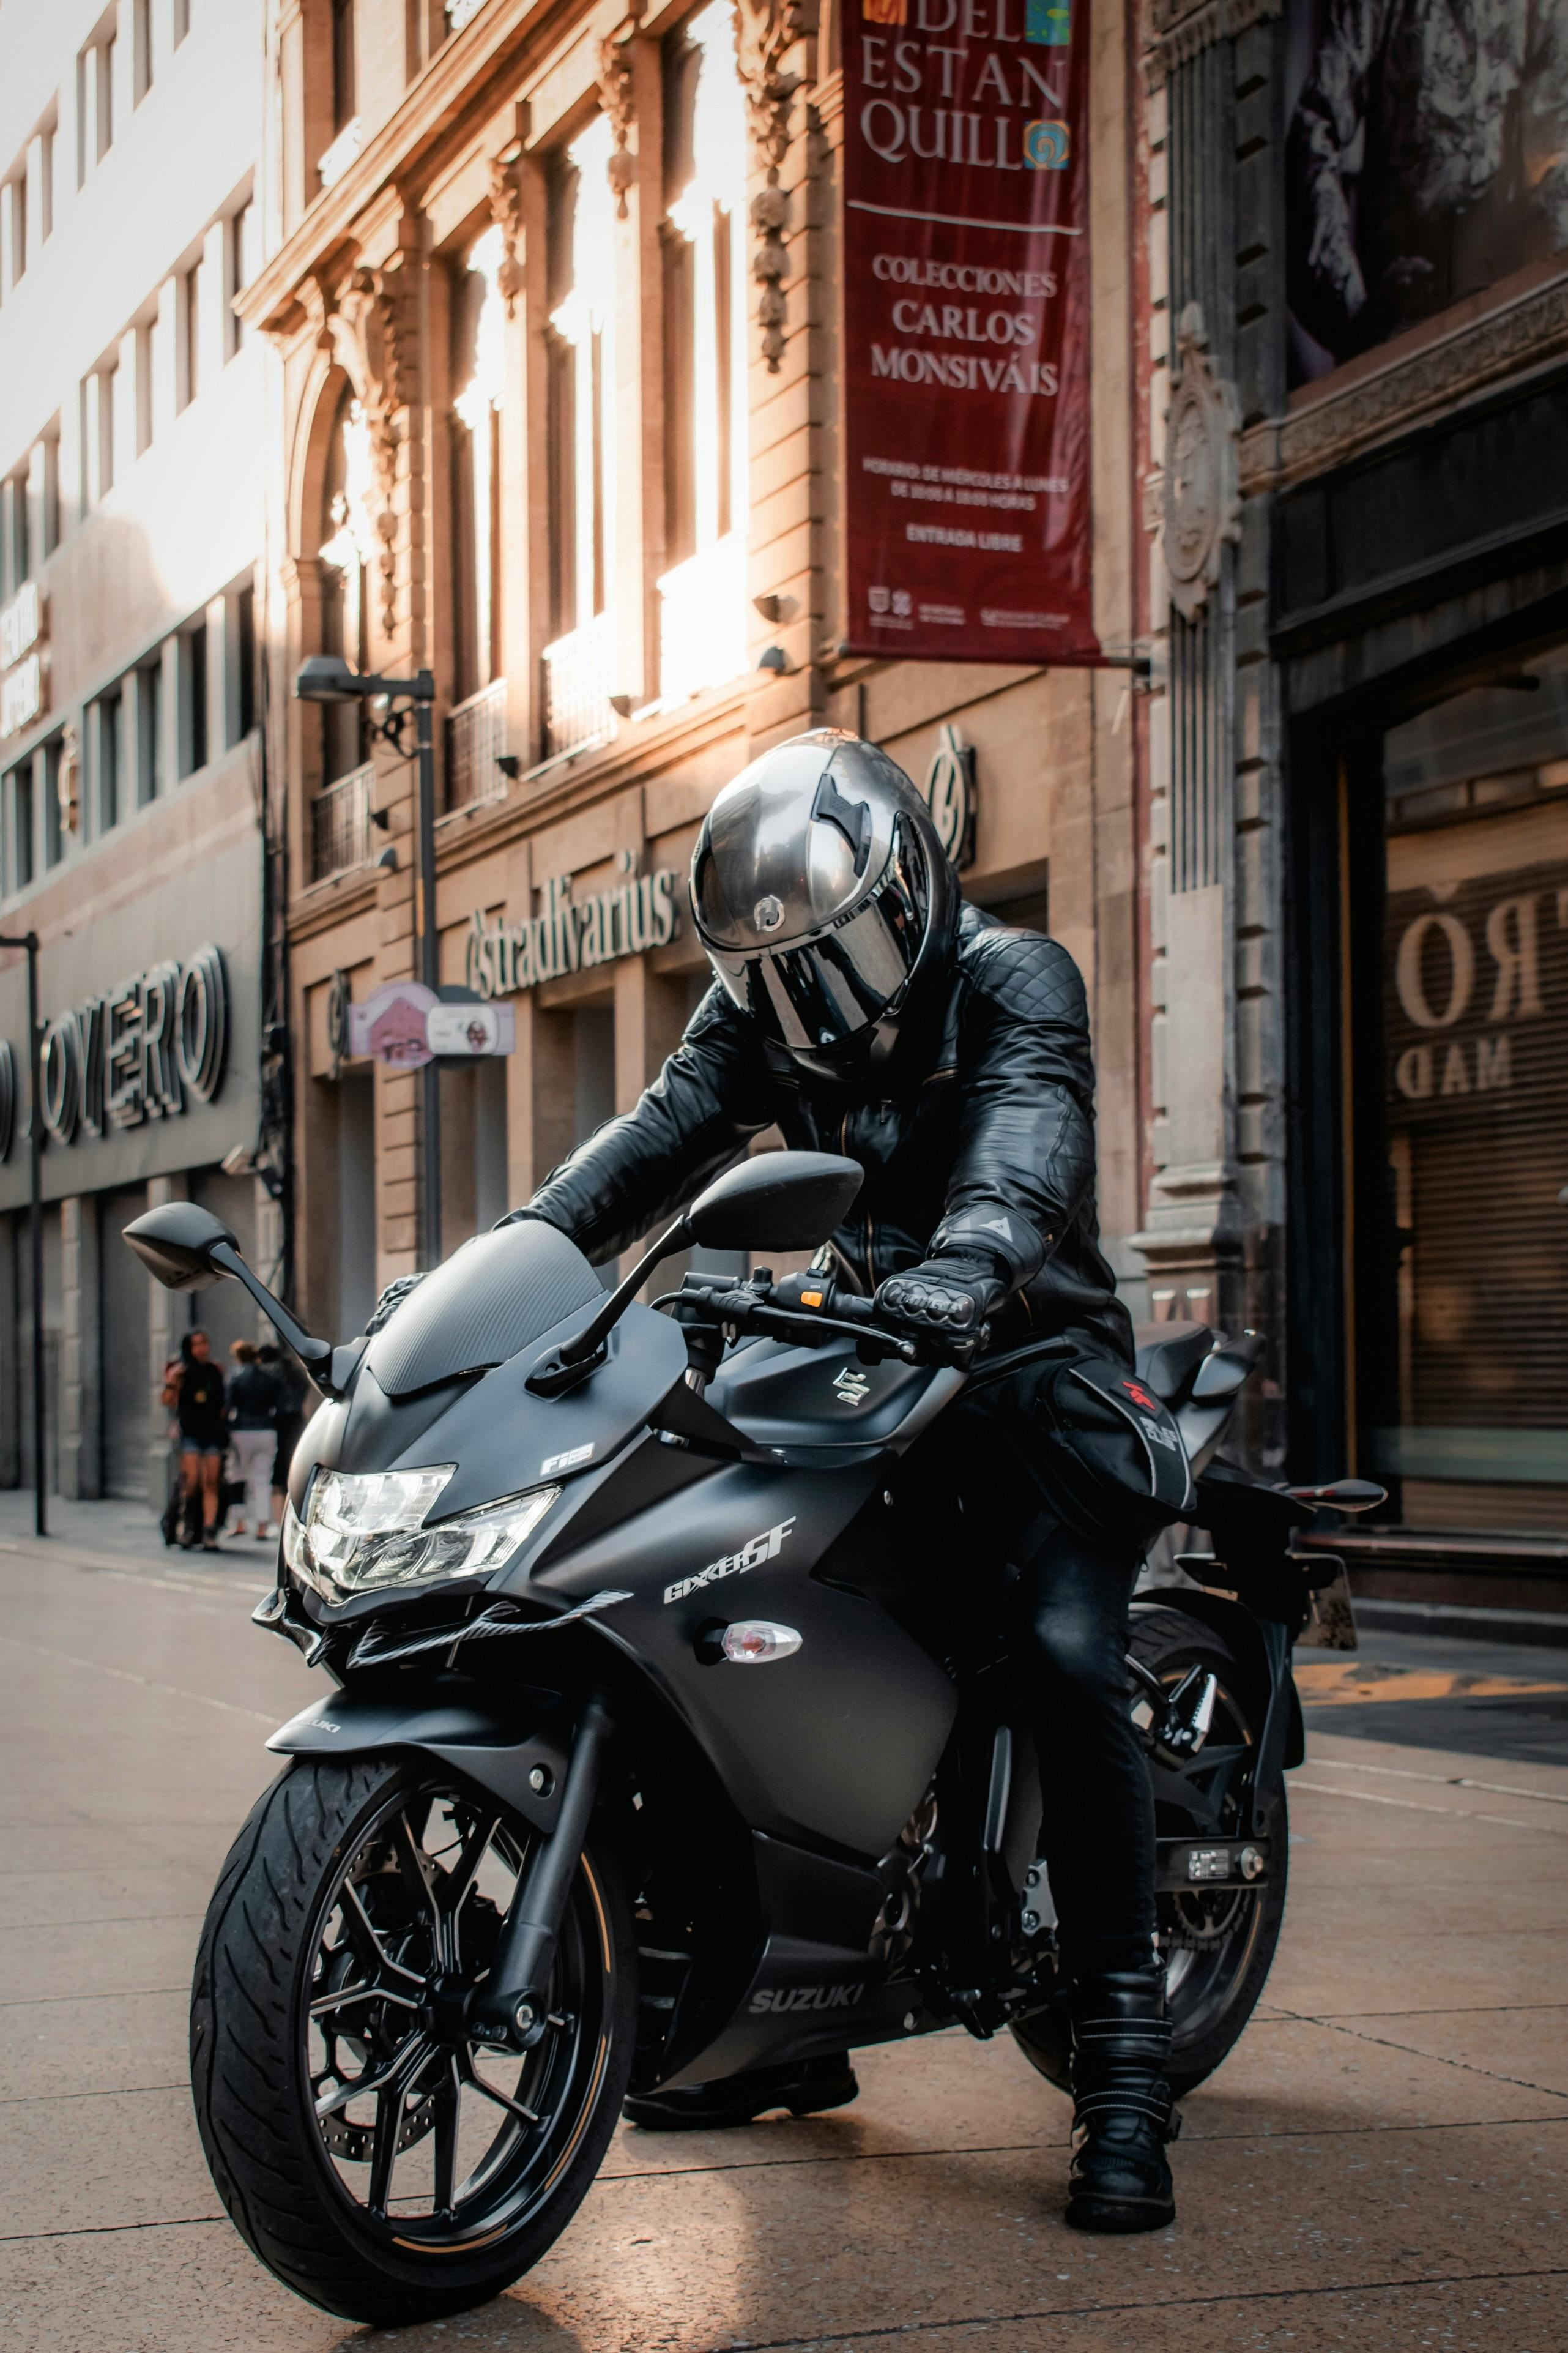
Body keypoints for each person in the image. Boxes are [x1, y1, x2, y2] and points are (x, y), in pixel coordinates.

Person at [483, 731, 1183, 2231]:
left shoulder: (1013, 977)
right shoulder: (761, 1016)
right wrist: (508, 1265)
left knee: (1064, 1651)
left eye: (837, 956)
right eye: (776, 973)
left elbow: (1027, 1142)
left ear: (911, 891)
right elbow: (653, 1141)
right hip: (865, 1358)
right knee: (735, 1612)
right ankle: (788, 2019)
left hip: (1028, 1357)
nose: (812, 1001)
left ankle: (1125, 2055)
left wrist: (973, 1261)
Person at [176, 1329, 226, 1552]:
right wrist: (172, 1381)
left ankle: (209, 1531)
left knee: (211, 1482)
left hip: (212, 1433)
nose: (201, 1348)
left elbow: (223, 1403)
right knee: (192, 1481)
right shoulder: (181, 1372)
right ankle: (188, 1527)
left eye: (204, 1343)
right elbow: (167, 1401)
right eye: (196, 1344)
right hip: (191, 1434)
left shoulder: (214, 1371)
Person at [226, 1340, 278, 1542]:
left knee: (237, 1475)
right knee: (262, 1479)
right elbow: (279, 1402)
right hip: (266, 1429)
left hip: (242, 1430)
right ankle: (262, 1526)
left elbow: (229, 1404)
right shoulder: (269, 1378)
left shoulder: (237, 1377)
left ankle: (239, 1522)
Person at [260, 1343, 311, 1534]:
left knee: (277, 1475)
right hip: (297, 1423)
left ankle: (279, 1521)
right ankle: (293, 1520)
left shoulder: (268, 1371)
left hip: (277, 1424)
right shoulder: (295, 1371)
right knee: (293, 1471)